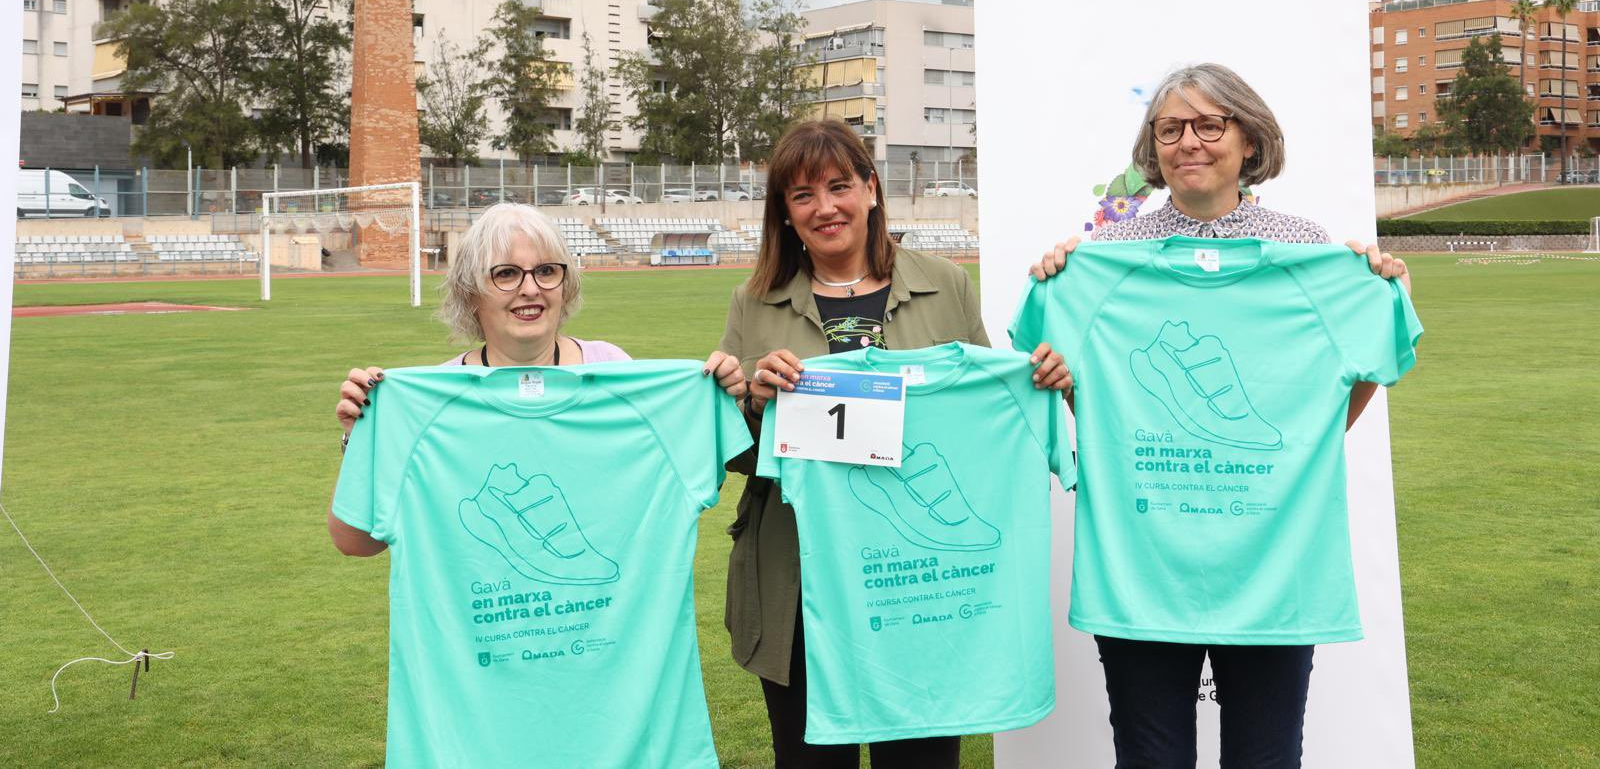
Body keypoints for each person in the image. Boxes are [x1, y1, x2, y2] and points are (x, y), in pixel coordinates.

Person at [1028, 63, 1411, 768]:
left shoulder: (1308, 250)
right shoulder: (1104, 259)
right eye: (1170, 128)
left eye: (1209, 124)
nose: (1188, 142)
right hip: (1144, 563)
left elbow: (1361, 370)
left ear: (1249, 138)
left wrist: (1302, 442)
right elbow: (1090, 400)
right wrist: (1067, 362)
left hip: (1273, 560)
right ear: (1152, 145)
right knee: (1151, 759)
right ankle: (1178, 363)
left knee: (1267, 758)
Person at [722, 119, 1071, 769]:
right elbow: (731, 457)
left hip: (917, 579)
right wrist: (754, 406)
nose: (825, 207)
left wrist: (1039, 381)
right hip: (798, 575)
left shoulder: (946, 283)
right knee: (809, 761)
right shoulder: (755, 302)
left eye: (839, 186)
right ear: (785, 214)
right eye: (803, 195)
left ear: (872, 189)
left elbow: (983, 415)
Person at [328, 202, 745, 556]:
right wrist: (360, 438)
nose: (530, 288)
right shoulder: (429, 403)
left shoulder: (615, 370)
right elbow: (355, 542)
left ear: (565, 285)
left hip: (605, 623)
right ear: (471, 293)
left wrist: (712, 395)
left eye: (546, 271)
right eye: (506, 274)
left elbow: (684, 484)